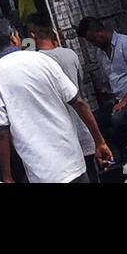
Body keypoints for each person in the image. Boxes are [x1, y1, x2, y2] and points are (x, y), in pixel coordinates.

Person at [0, 19, 112, 184]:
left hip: (42, 172)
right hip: (72, 161)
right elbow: (78, 103)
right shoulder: (42, 60)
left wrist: (7, 176)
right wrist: (99, 141)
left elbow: (1, 133)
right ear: (14, 38)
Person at [75, 14, 127, 162]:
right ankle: (114, 154)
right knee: (94, 119)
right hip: (119, 99)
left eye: (93, 40)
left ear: (101, 32)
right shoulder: (100, 54)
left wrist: (125, 101)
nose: (94, 44)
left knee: (119, 118)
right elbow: (110, 81)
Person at [28, 17, 98, 179]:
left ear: (36, 40)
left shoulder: (35, 63)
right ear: (54, 39)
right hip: (81, 122)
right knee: (91, 171)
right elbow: (79, 84)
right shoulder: (70, 54)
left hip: (57, 133)